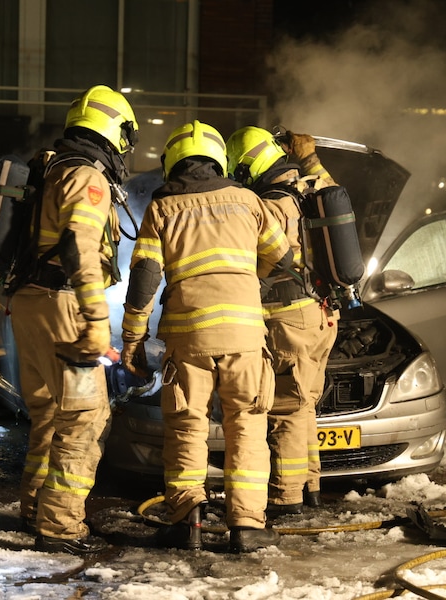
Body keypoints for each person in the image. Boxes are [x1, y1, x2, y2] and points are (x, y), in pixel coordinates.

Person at [120, 120, 295, 553]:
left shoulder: (162, 208)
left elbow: (144, 278)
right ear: (220, 160)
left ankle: (187, 519)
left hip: (188, 337)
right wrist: (245, 280)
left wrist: (132, 339)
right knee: (248, 428)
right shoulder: (249, 202)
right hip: (243, 338)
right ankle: (247, 527)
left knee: (186, 426)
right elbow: (283, 255)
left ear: (172, 163)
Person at [8, 84, 139, 555]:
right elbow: (80, 247)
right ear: (113, 130)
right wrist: (96, 319)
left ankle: (34, 507)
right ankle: (60, 526)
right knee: (85, 419)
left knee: (47, 414)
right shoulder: (88, 177)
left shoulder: (51, 168)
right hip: (63, 304)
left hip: (29, 301)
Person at [225, 126, 340, 515]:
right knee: (304, 404)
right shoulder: (312, 188)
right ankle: (311, 487)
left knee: (287, 409)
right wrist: (310, 156)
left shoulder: (272, 205)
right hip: (321, 314)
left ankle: (285, 499)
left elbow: (258, 265)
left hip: (288, 319)